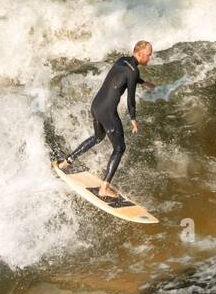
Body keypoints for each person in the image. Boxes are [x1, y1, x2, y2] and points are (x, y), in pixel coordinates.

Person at [59, 42, 155, 199]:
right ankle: (104, 188)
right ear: (139, 54)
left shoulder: (122, 60)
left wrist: (142, 82)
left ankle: (66, 162)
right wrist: (133, 119)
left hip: (96, 106)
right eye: (148, 54)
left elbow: (125, 75)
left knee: (98, 137)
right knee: (119, 148)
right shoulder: (134, 72)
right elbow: (131, 98)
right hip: (108, 112)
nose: (150, 57)